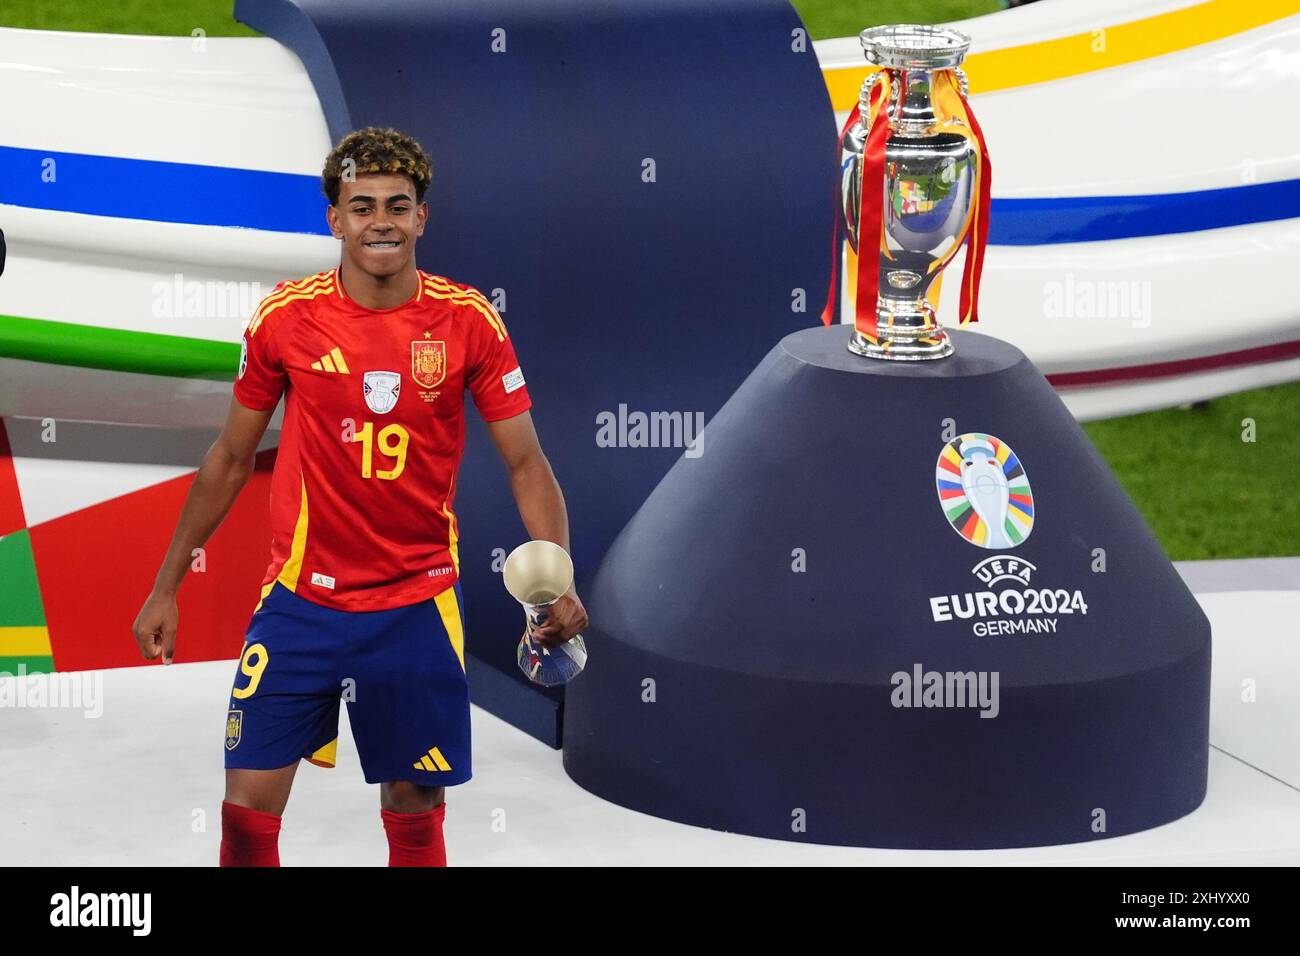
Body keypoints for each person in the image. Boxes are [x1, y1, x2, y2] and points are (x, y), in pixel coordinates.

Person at [131, 126, 587, 866]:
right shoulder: (285, 318)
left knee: (414, 809)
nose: (382, 221)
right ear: (334, 219)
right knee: (246, 808)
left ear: (421, 219)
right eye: (362, 205)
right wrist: (166, 584)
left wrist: (553, 580)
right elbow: (229, 457)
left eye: (398, 206)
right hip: (299, 604)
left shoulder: (468, 322)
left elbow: (528, 465)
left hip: (415, 606)